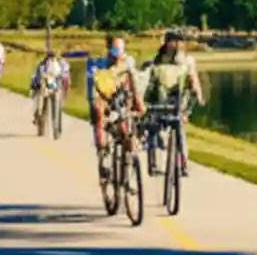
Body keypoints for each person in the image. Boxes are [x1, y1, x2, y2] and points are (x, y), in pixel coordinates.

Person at [142, 31, 204, 174]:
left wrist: (197, 95)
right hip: (159, 100)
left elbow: (193, 79)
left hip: (178, 101)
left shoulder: (187, 60)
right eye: (173, 41)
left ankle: (182, 162)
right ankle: (153, 162)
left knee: (179, 128)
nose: (176, 44)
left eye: (178, 41)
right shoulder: (157, 60)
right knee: (153, 125)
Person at [86, 36, 143, 176]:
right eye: (114, 50)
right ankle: (103, 157)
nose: (117, 55)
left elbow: (134, 85)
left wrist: (138, 103)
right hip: (104, 101)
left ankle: (130, 169)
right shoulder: (98, 66)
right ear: (109, 50)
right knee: (99, 118)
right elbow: (92, 91)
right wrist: (96, 104)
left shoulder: (127, 64)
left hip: (121, 102)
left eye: (120, 50)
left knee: (127, 132)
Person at [30, 50, 66, 125]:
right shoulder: (42, 65)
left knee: (46, 98)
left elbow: (61, 75)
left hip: (53, 86)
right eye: (49, 58)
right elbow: (37, 77)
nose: (50, 60)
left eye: (51, 58)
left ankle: (41, 115)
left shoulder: (57, 65)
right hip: (45, 86)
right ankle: (38, 115)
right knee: (40, 99)